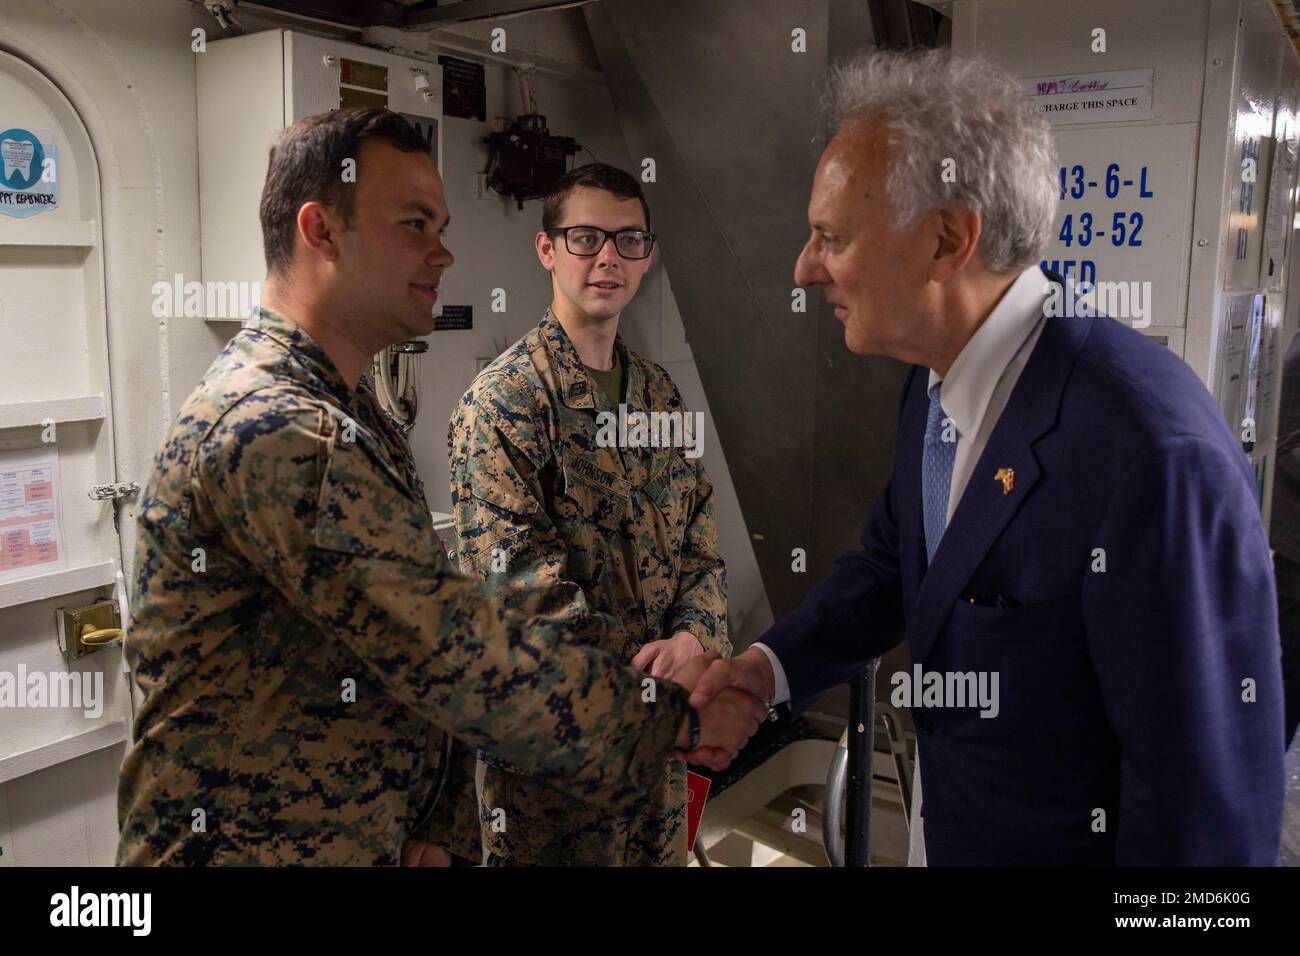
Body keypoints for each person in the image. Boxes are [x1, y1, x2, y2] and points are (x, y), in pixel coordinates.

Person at [117, 109, 763, 866]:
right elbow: (456, 652)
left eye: (442, 225)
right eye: (415, 225)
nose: (444, 253)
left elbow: (404, 658)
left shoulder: (354, 414)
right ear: (321, 231)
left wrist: (435, 821)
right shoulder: (275, 427)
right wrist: (677, 719)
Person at [689, 50, 1285, 865]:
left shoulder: (1147, 454)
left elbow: (1205, 816)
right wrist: (767, 670)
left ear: (946, 241)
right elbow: (894, 567)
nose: (804, 267)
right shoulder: (935, 387)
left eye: (832, 237)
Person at [448, 163, 728, 866]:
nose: (609, 258)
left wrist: (696, 640)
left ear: (648, 255)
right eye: (586, 238)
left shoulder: (659, 396)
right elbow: (522, 598)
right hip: (557, 775)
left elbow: (701, 545)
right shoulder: (505, 405)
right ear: (547, 251)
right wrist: (654, 680)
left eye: (629, 240)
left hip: (657, 762)